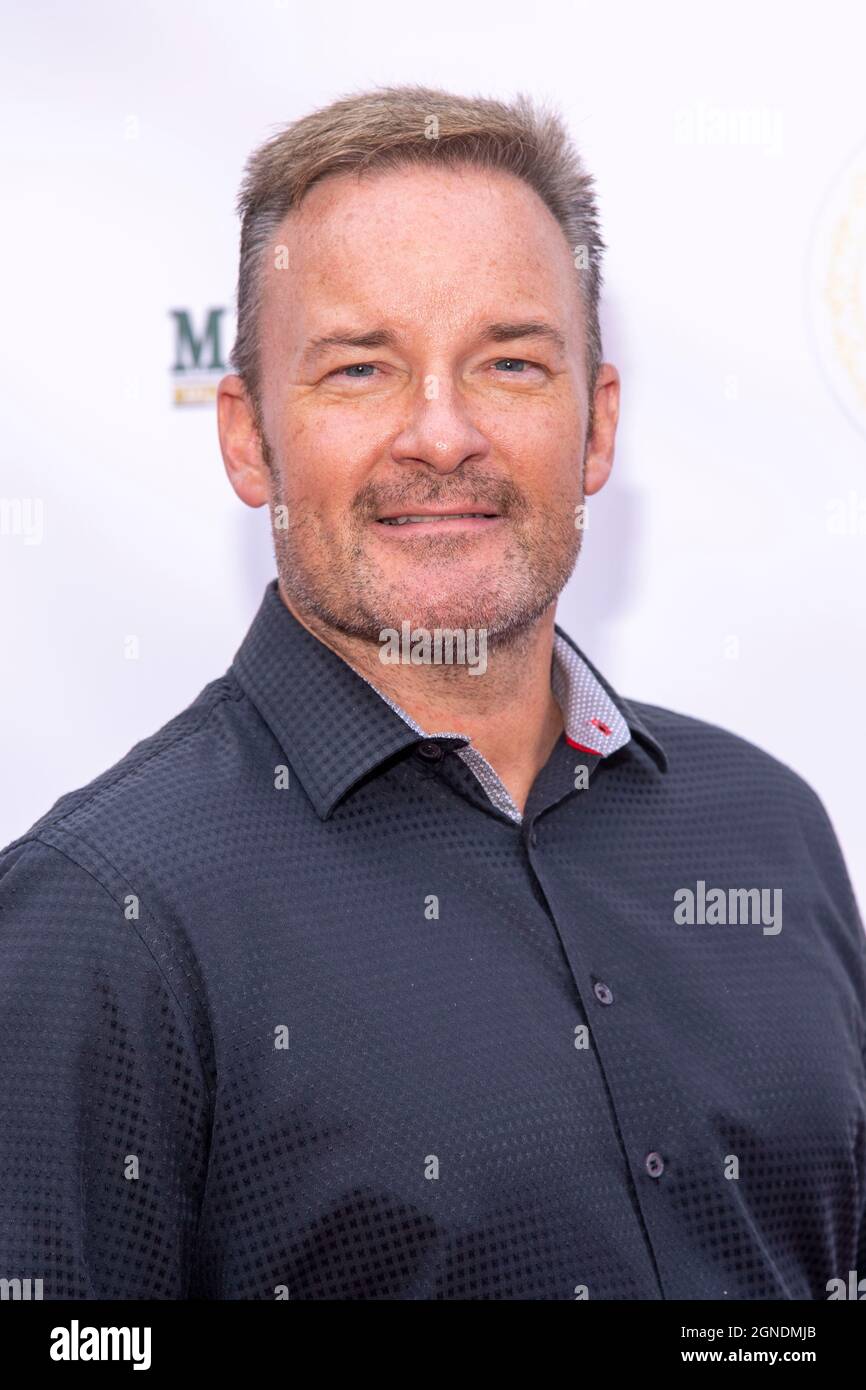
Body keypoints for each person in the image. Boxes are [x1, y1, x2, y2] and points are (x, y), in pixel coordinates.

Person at [1, 84, 864, 1301]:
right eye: (360, 369)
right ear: (246, 439)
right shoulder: (103, 919)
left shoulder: (766, 829)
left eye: (508, 361)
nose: (441, 434)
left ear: (595, 424)